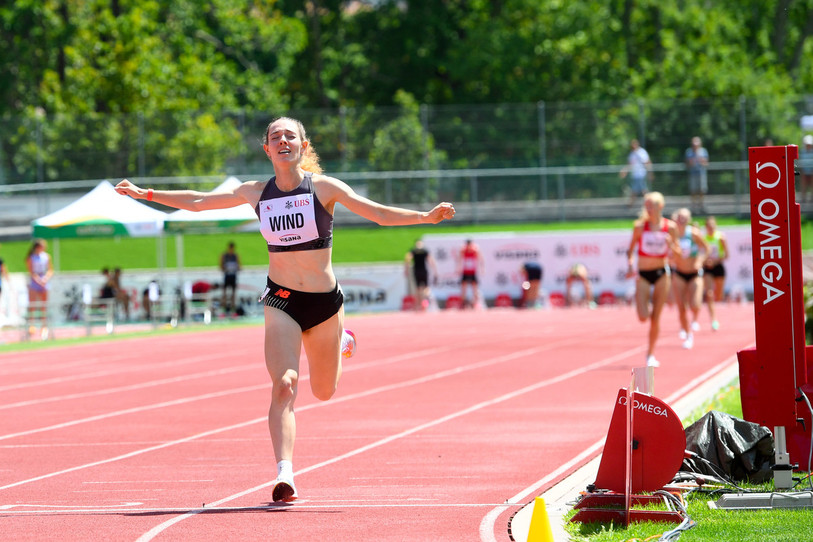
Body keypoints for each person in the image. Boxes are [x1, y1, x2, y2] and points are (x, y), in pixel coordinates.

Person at [114, 116, 455, 503]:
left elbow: (377, 213)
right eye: (275, 137)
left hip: (324, 304)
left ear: (303, 146)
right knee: (285, 385)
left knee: (324, 391)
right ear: (267, 149)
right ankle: (285, 473)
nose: (282, 140)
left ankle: (342, 339)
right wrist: (146, 193)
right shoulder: (255, 192)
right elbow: (198, 201)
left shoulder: (324, 188)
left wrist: (425, 217)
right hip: (281, 300)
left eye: (290, 136)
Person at [625, 192, 679, 367]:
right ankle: (644, 302)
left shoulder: (670, 227)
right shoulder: (640, 227)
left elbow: (678, 254)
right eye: (646, 205)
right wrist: (630, 264)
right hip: (643, 274)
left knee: (656, 318)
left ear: (660, 206)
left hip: (661, 273)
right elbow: (630, 250)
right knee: (643, 317)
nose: (648, 209)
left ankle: (650, 354)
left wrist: (671, 245)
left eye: (651, 205)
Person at [670, 208, 708, 349]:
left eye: (684, 218)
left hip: (694, 273)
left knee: (695, 304)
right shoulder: (672, 235)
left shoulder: (693, 233)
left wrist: (700, 261)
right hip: (679, 273)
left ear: (689, 219)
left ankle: (694, 320)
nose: (682, 220)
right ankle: (687, 335)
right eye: (680, 217)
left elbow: (706, 249)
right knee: (681, 307)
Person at [702, 216, 728, 331]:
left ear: (715, 226)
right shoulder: (703, 238)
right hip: (707, 268)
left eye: (712, 226)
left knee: (718, 296)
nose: (710, 228)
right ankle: (713, 319)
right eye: (708, 226)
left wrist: (715, 261)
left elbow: (726, 255)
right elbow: (700, 254)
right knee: (709, 294)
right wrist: (705, 261)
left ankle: (717, 310)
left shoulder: (721, 237)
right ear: (706, 227)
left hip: (718, 267)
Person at [25, 238, 54, 340]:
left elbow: (50, 270)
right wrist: (38, 280)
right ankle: (31, 326)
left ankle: (44, 326)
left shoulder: (46, 256)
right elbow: (31, 271)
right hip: (34, 281)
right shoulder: (31, 257)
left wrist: (45, 278)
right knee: (32, 305)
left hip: (44, 280)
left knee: (43, 306)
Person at [404, 239, 437, 311]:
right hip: (423, 271)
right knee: (425, 288)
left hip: (417, 271)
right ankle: (425, 303)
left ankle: (419, 305)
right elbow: (431, 261)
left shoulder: (413, 251)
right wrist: (435, 271)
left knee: (418, 289)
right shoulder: (424, 250)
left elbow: (407, 259)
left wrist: (406, 269)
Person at [619, 138, 653, 207]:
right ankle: (649, 203)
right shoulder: (632, 154)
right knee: (641, 190)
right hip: (635, 175)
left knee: (640, 190)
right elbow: (630, 164)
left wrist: (650, 173)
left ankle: (648, 203)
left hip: (641, 174)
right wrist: (624, 171)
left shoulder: (642, 152)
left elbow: (647, 162)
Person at [685, 136, 709, 212]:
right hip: (693, 174)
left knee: (702, 190)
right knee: (693, 190)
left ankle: (701, 206)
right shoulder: (689, 152)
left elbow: (706, 163)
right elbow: (687, 163)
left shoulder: (703, 151)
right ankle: (693, 206)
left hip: (701, 173)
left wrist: (701, 161)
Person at [458, 239, 484, 308]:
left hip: (473, 272)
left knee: (475, 288)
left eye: (470, 245)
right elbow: (459, 258)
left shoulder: (475, 250)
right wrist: (459, 268)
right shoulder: (463, 250)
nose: (469, 246)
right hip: (465, 272)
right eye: (468, 245)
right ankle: (462, 303)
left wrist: (482, 269)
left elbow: (481, 259)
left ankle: (475, 303)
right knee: (463, 288)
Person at [220, 241, 242, 315]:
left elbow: (240, 266)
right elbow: (221, 266)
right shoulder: (224, 256)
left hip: (233, 276)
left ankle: (233, 309)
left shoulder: (236, 256)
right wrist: (226, 268)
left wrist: (235, 268)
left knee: (233, 293)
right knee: (224, 293)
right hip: (227, 275)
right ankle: (224, 309)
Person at [799, 134, 813, 203]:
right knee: (803, 185)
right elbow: (801, 162)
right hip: (804, 172)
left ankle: (812, 198)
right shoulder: (802, 152)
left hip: (812, 172)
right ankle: (803, 198)